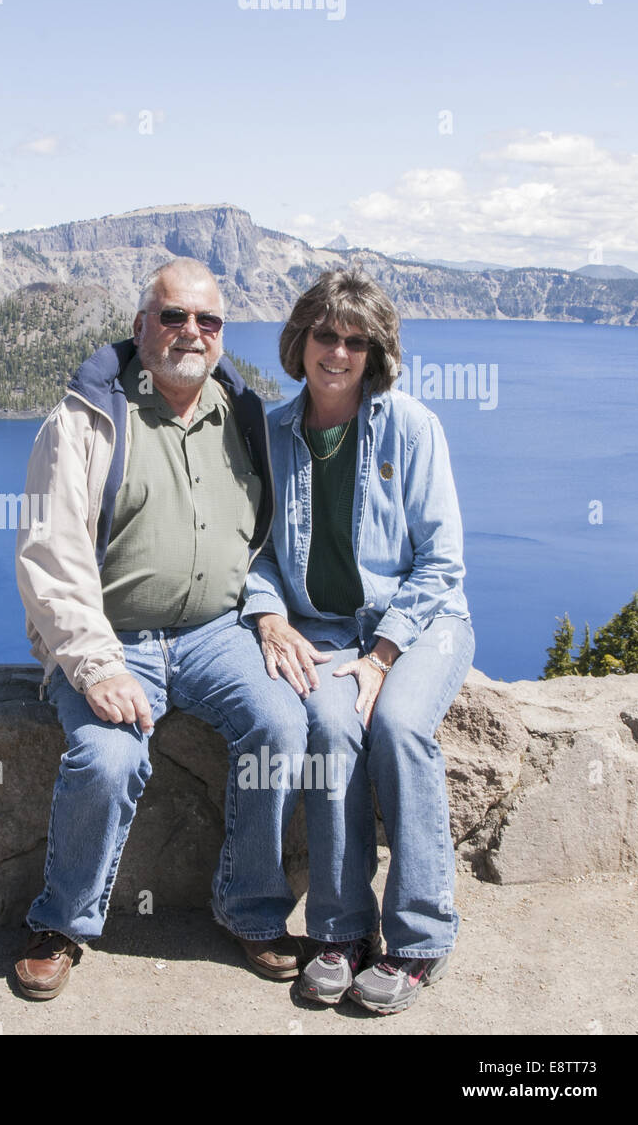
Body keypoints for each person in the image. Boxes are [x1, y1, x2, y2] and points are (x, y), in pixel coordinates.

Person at [12, 257, 311, 1000]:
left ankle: (249, 909)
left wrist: (268, 613)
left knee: (280, 723)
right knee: (107, 761)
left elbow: (264, 538)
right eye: (173, 316)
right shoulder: (84, 422)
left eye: (207, 321)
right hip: (116, 640)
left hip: (216, 634)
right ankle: (62, 923)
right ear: (141, 325)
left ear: (221, 334)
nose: (190, 333)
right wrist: (95, 665)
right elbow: (51, 556)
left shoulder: (241, 418)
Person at [241, 268, 473, 1015]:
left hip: (424, 623)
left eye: (356, 340)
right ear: (301, 340)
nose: (338, 352)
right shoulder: (273, 435)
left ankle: (419, 938)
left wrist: (383, 657)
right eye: (326, 335)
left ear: (375, 353)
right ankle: (339, 933)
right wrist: (270, 615)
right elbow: (255, 554)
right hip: (326, 631)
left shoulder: (411, 427)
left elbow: (441, 562)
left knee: (401, 727)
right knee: (329, 726)